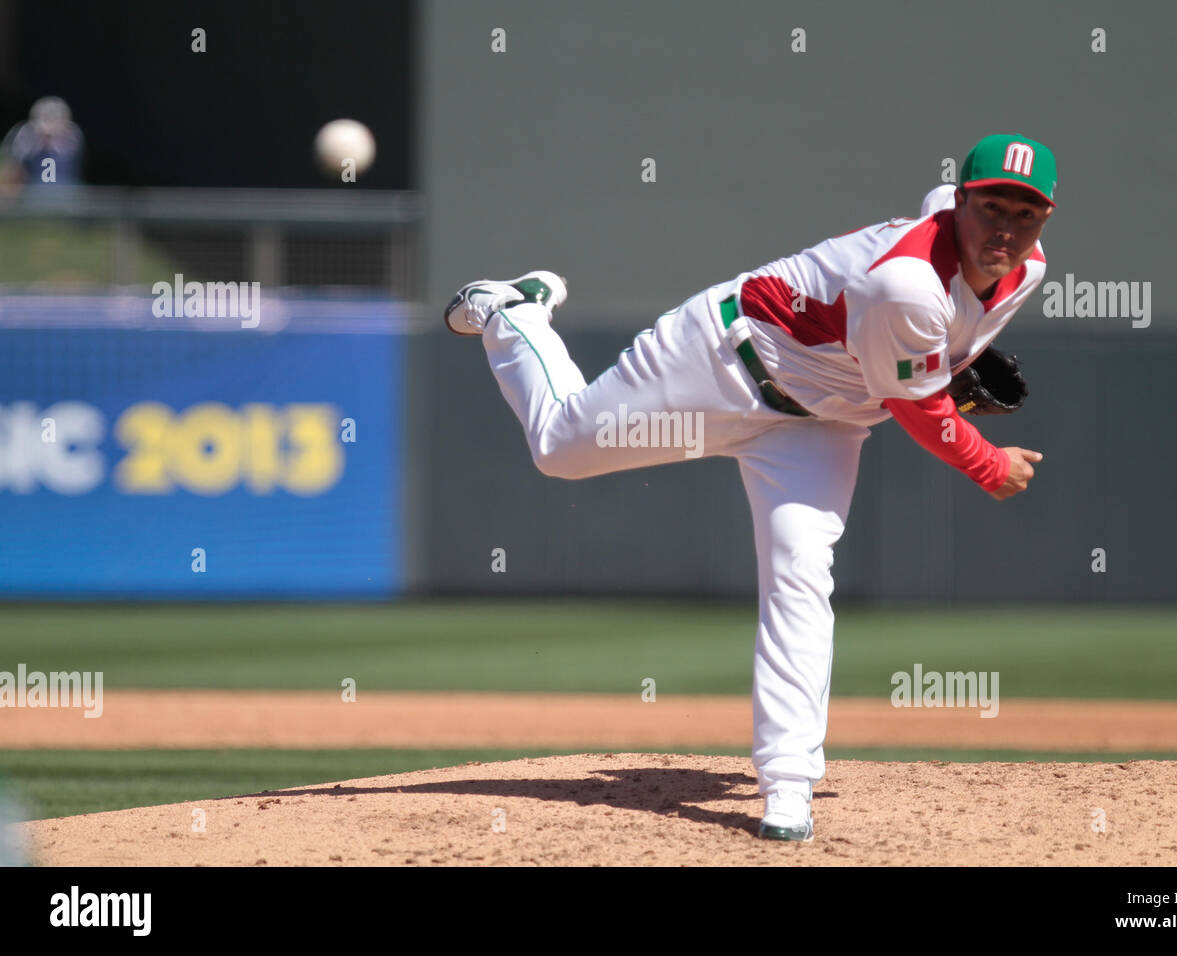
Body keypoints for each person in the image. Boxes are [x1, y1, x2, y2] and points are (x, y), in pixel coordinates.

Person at [444, 133, 1055, 842]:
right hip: (722, 362)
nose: (1007, 228)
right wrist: (987, 462)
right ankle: (516, 315)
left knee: (801, 574)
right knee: (559, 448)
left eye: (1026, 212)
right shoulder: (905, 281)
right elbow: (918, 408)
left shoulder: (1026, 266)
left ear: (1046, 219)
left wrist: (940, 367)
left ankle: (788, 782)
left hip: (818, 425)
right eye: (991, 208)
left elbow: (914, 366)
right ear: (960, 204)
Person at [0, 96, 84, 187]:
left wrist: (49, 139)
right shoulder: (26, 132)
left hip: (65, 189)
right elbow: (11, 162)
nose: (50, 122)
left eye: (54, 117)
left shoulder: (72, 133)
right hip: (32, 190)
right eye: (46, 117)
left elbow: (70, 158)